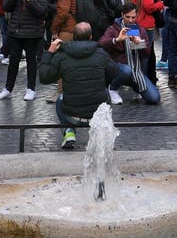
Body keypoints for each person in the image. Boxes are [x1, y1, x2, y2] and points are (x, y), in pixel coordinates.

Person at [39, 21, 120, 149]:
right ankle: (101, 132)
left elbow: (44, 77)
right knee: (105, 93)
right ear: (90, 37)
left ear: (73, 36)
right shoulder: (100, 53)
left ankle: (69, 131)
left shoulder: (62, 56)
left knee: (60, 99)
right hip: (97, 114)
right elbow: (115, 72)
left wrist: (49, 52)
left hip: (72, 116)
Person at [0, 0, 49, 101]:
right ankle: (7, 89)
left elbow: (42, 11)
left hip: (32, 32)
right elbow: (6, 8)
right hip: (15, 32)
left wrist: (30, 0)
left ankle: (31, 89)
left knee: (31, 61)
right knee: (13, 62)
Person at [98, 3, 160, 104]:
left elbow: (147, 54)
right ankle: (112, 89)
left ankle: (137, 87)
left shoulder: (139, 30)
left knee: (154, 98)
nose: (130, 20)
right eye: (128, 17)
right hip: (119, 69)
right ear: (122, 15)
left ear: (137, 16)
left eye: (133, 17)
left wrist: (140, 44)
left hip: (136, 72)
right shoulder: (114, 28)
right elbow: (101, 42)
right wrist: (116, 40)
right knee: (127, 70)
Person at [125, 0, 164, 84]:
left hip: (132, 24)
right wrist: (161, 4)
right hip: (146, 26)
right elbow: (149, 7)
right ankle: (144, 82)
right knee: (146, 54)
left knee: (136, 54)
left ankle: (136, 80)